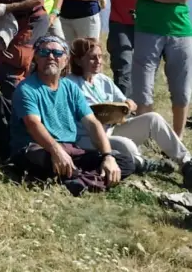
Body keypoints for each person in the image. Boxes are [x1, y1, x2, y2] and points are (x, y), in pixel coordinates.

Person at [9, 36, 134, 195]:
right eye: (45, 52)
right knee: (46, 160)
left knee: (125, 162)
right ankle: (89, 180)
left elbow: (92, 123)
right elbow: (33, 125)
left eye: (57, 53)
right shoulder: (26, 89)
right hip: (37, 147)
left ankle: (77, 181)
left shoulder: (70, 87)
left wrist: (107, 156)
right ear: (36, 57)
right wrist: (56, 150)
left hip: (71, 149)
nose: (51, 57)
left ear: (66, 59)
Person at [67, 37, 192, 188]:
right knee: (127, 145)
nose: (98, 61)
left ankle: (186, 164)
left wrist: (126, 106)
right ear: (79, 60)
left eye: (100, 56)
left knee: (153, 118)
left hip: (111, 128)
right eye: (92, 58)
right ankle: (144, 163)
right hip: (88, 137)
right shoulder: (69, 84)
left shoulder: (102, 80)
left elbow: (129, 102)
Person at [130, 0, 192, 136]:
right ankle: (145, 138)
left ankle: (177, 139)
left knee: (181, 91)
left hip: (180, 31)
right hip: (147, 29)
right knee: (143, 89)